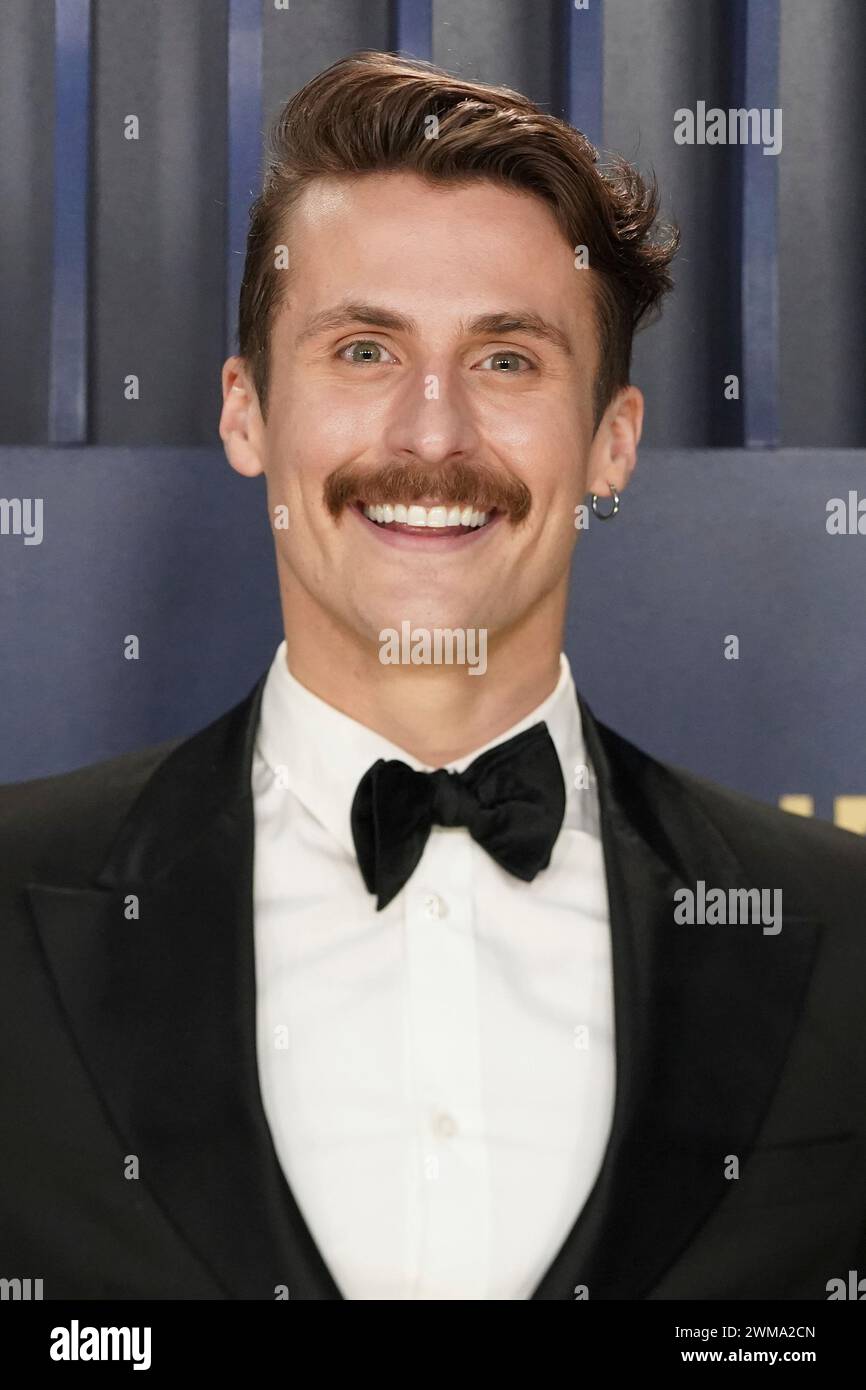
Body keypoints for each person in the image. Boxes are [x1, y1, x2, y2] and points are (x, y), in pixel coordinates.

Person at [1, 51, 864, 1302]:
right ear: (246, 413)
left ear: (610, 440)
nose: (430, 433)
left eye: (506, 360)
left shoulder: (841, 933)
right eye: (362, 351)